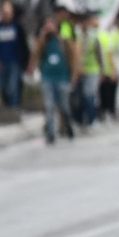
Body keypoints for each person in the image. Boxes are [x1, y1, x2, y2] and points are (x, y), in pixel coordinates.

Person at [34, 16, 78, 144]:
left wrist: (74, 75)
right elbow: (36, 55)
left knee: (64, 105)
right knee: (49, 105)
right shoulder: (43, 42)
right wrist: (42, 38)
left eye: (51, 25)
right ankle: (51, 134)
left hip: (62, 78)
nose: (49, 27)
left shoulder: (64, 42)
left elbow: (73, 59)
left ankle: (68, 124)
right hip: (47, 77)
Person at [0, 2, 27, 109]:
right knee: (3, 86)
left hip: (14, 61)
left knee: (13, 86)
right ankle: (7, 104)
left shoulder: (17, 27)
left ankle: (14, 107)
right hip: (2, 61)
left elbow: (22, 45)